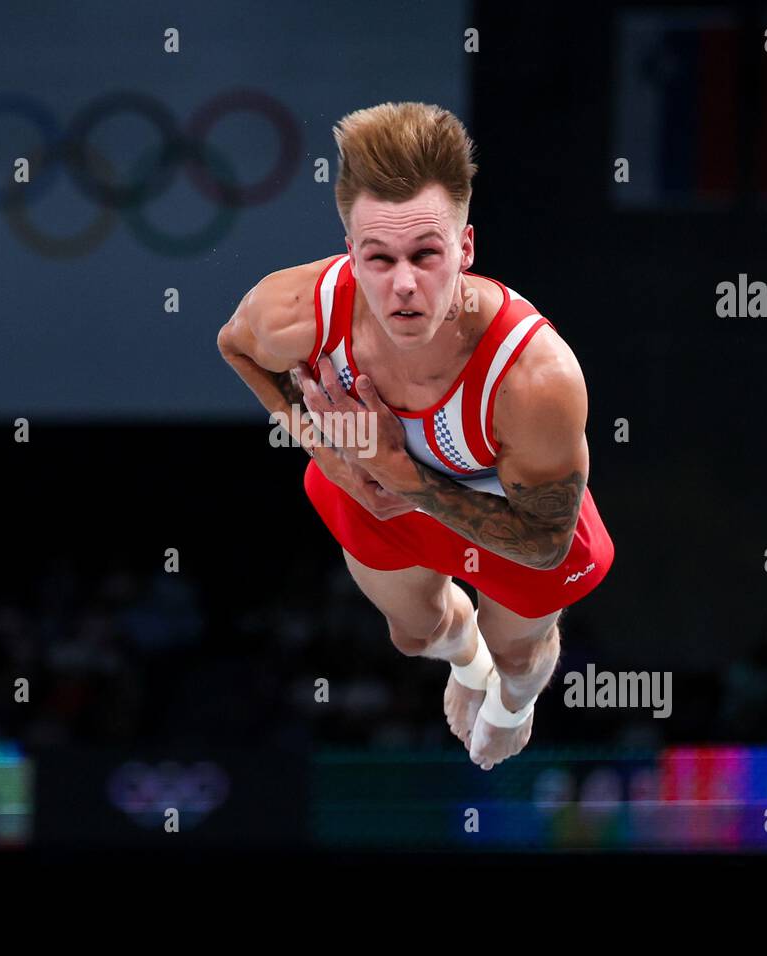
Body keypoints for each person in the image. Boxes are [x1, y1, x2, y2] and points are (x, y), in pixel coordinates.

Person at [218, 102, 614, 770]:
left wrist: (406, 479)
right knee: (415, 635)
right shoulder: (293, 310)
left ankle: (513, 700)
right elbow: (236, 347)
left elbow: (546, 545)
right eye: (379, 258)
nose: (403, 285)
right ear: (350, 250)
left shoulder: (534, 378)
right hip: (370, 484)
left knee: (517, 654)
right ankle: (464, 660)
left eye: (427, 255)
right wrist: (324, 448)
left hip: (508, 515)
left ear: (465, 247)